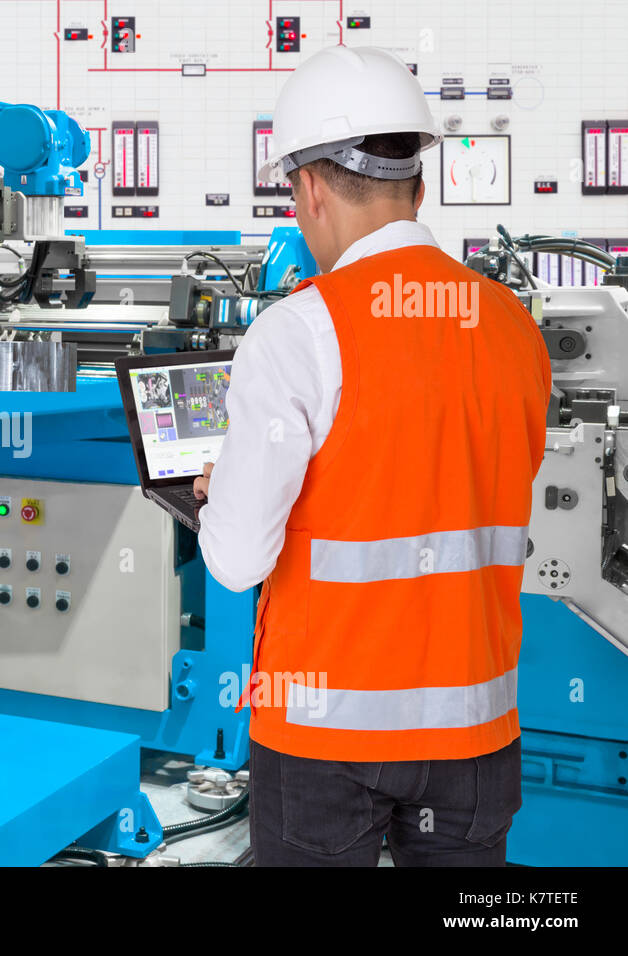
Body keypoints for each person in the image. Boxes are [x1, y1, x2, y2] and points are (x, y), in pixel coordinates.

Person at [192, 46, 551, 866]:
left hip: (326, 733)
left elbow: (239, 563)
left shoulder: (298, 332)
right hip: (474, 726)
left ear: (308, 188)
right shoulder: (512, 328)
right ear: (419, 187)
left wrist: (225, 499)